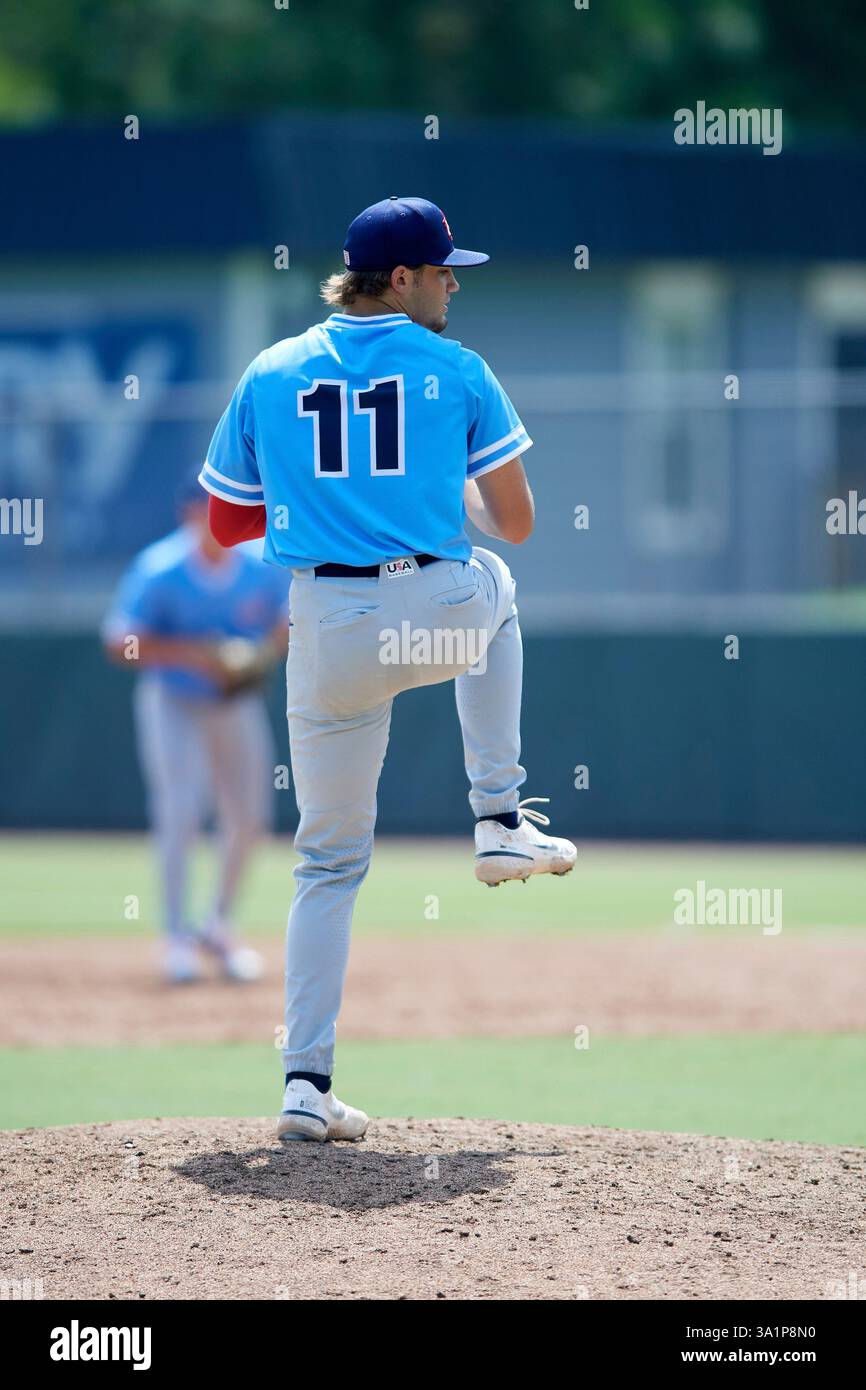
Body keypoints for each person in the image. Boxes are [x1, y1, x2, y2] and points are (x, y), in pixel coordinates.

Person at [200, 195, 576, 1141]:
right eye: (446, 269)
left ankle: (303, 1085)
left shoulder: (271, 367)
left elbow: (227, 522)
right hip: (432, 605)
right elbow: (519, 521)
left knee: (324, 862)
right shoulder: (456, 367)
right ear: (399, 278)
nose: (455, 283)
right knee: (497, 582)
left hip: (323, 626)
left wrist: (319, 494)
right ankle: (498, 816)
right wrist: (439, 492)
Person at [103, 479, 290, 984]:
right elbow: (120, 643)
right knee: (181, 811)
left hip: (235, 703)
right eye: (211, 504)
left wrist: (256, 655)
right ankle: (175, 938)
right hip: (173, 700)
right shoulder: (161, 567)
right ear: (189, 511)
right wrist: (197, 656)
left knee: (250, 818)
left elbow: (289, 623)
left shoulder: (257, 563)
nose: (223, 513)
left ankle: (218, 926)